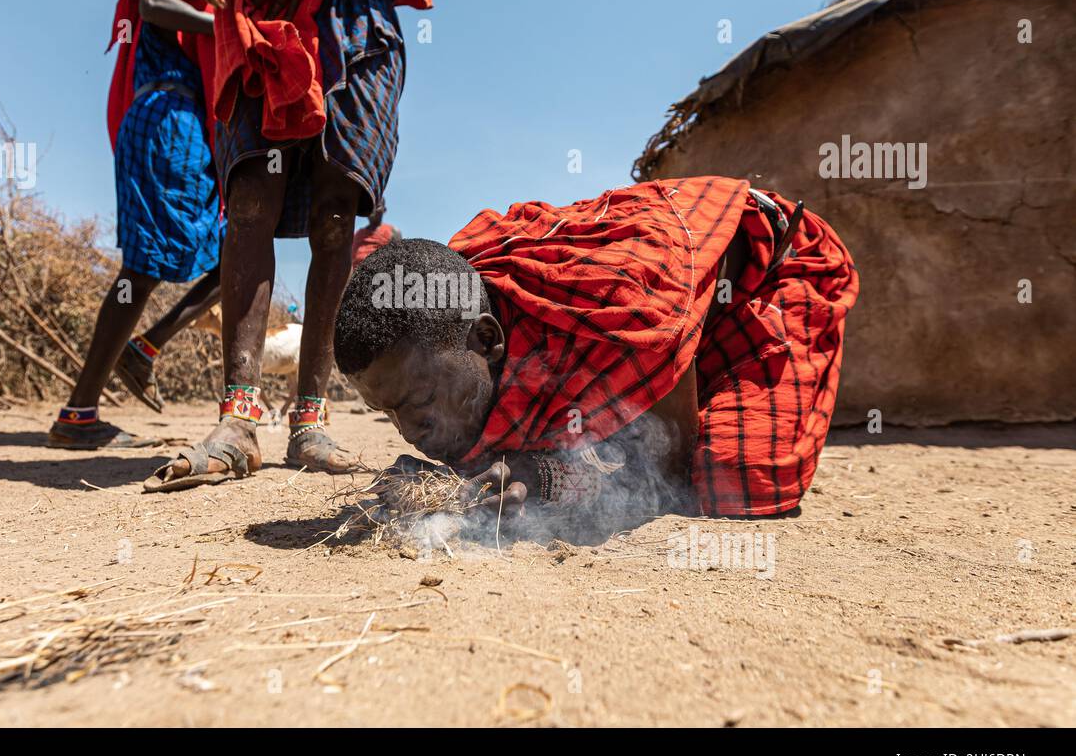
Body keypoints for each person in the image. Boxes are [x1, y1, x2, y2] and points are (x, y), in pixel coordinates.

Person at [144, 0, 447, 491]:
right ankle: (238, 422)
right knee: (251, 197)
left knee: (336, 217)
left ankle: (310, 421)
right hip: (267, 13)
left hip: (357, 30)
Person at [330, 177, 860, 518]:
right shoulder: (447, 314)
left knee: (730, 479)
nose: (408, 431)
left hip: (772, 278)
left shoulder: (621, 312)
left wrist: (555, 479)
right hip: (682, 314)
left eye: (418, 405)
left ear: (488, 339)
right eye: (388, 412)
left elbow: (665, 464)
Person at [49, 0, 230, 449]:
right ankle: (78, 415)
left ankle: (144, 349)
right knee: (144, 266)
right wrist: (227, 23)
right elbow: (153, 3)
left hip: (186, 125)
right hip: (166, 117)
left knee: (239, 252)